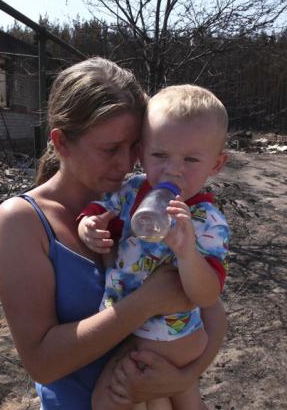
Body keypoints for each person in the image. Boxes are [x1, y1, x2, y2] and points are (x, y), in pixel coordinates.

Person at [0, 58, 227, 409]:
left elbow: (211, 313)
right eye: (110, 149)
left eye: (136, 148)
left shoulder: (143, 203)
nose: (127, 164)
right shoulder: (24, 221)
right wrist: (146, 301)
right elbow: (41, 363)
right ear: (61, 143)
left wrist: (183, 378)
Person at [78, 85, 230, 409]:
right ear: (143, 151)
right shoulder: (133, 189)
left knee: (108, 399)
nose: (173, 169)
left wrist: (187, 252)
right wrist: (88, 225)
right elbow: (101, 209)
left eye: (191, 159)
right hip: (136, 330)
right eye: (160, 155)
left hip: (172, 339)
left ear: (215, 165)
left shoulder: (206, 221)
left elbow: (207, 296)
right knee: (175, 401)